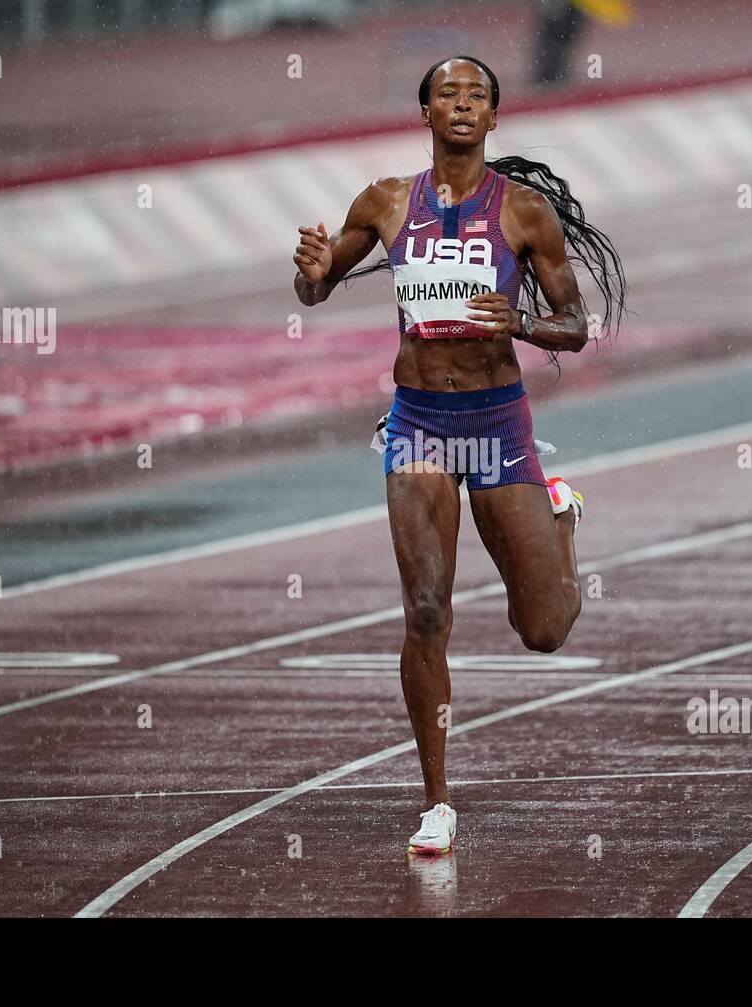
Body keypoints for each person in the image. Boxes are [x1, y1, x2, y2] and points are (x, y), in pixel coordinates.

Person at [292, 54, 626, 855]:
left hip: (498, 422)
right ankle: (437, 799)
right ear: (427, 113)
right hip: (419, 425)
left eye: (478, 94)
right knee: (427, 609)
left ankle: (561, 517)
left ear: (495, 118)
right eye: (449, 93)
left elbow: (576, 327)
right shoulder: (382, 202)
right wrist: (307, 276)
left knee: (544, 629)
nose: (464, 104)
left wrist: (519, 324)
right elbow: (317, 286)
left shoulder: (525, 214)